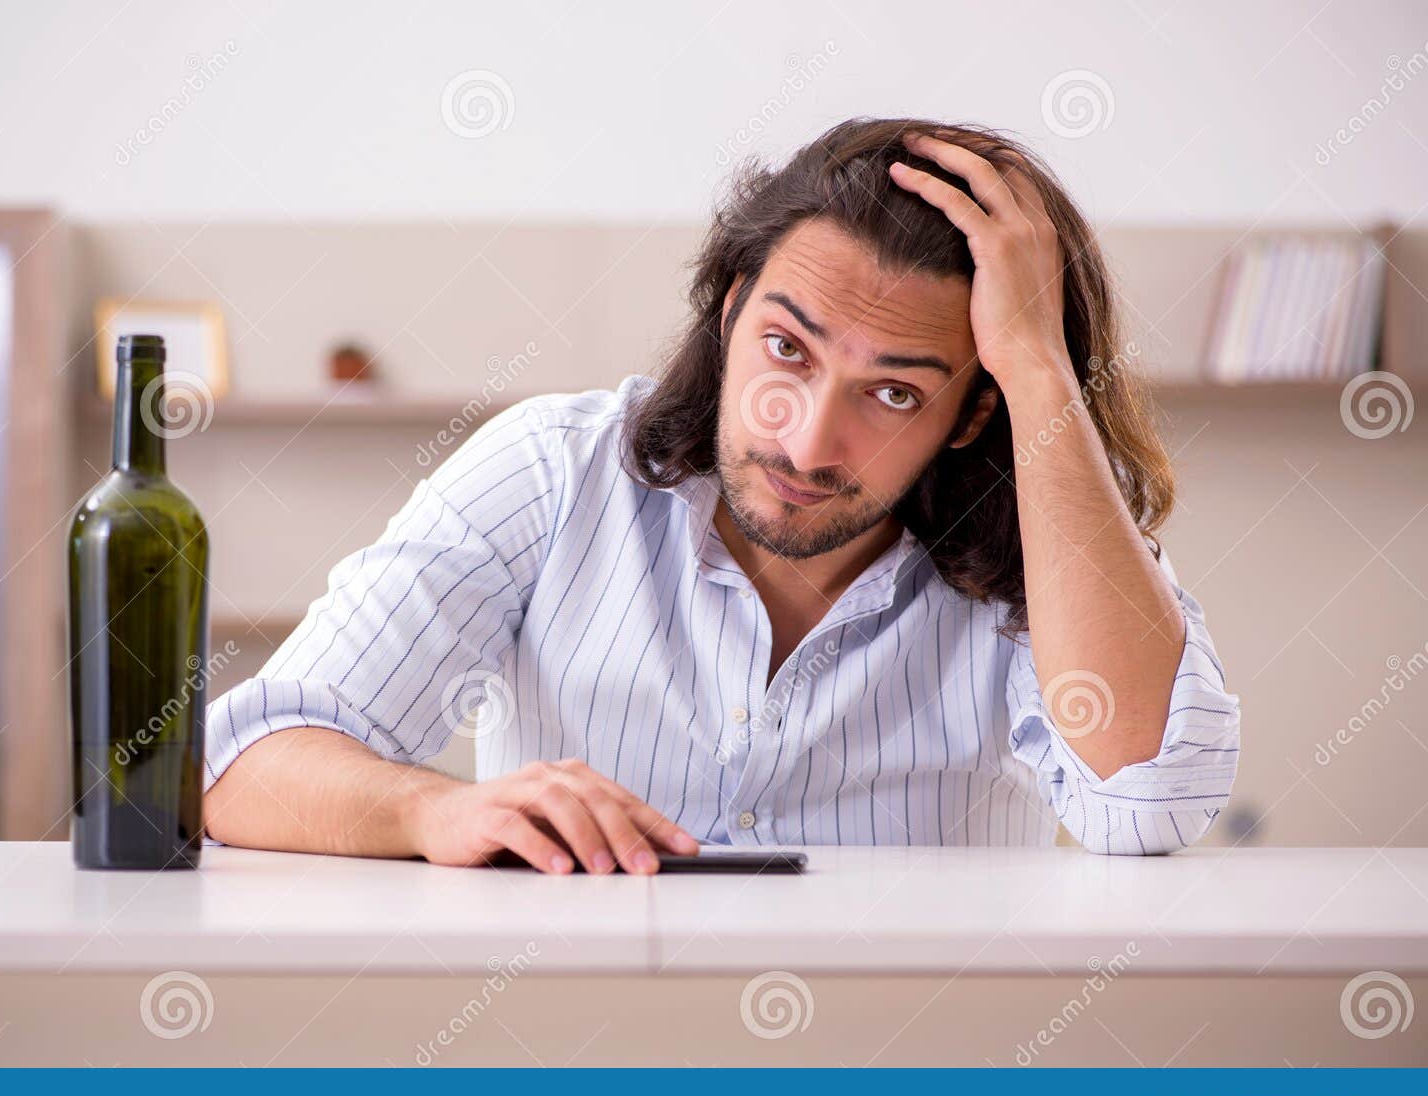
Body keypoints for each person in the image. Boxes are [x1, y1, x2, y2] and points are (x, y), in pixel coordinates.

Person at [201, 117, 1240, 871]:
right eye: (786, 348)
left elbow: (1148, 802)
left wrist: (1039, 368)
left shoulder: (1040, 543)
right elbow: (240, 764)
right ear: (731, 308)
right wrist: (431, 813)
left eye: (892, 391)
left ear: (974, 412)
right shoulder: (552, 472)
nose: (808, 436)